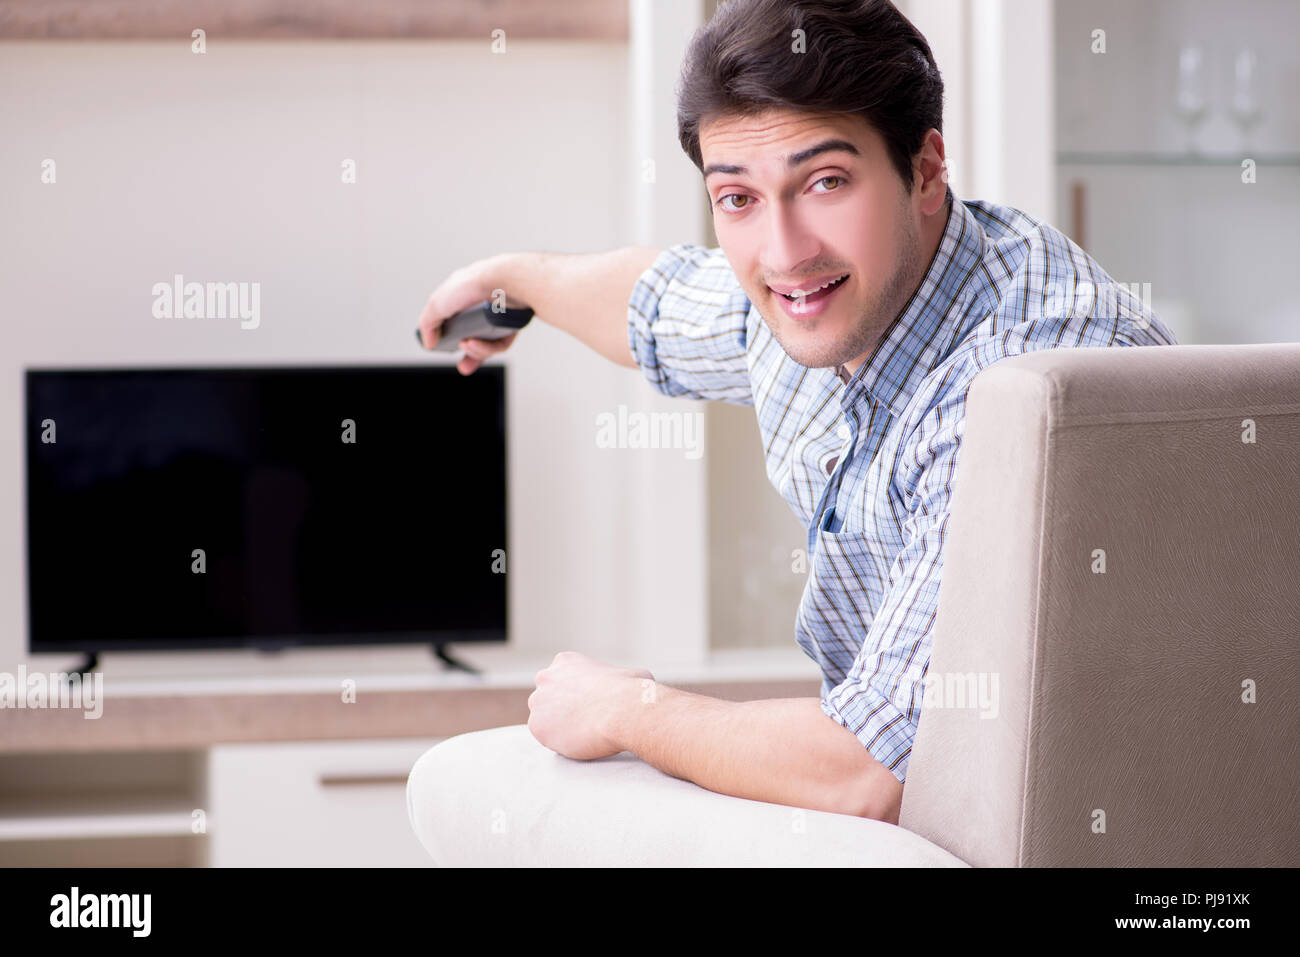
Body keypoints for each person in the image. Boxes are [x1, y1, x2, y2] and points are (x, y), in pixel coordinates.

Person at [415, 0, 1177, 825]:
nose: (784, 252)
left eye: (824, 182)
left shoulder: (1015, 386)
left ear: (925, 171)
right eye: (737, 198)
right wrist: (511, 281)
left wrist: (624, 706)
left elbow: (867, 770)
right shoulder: (833, 291)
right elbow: (656, 305)